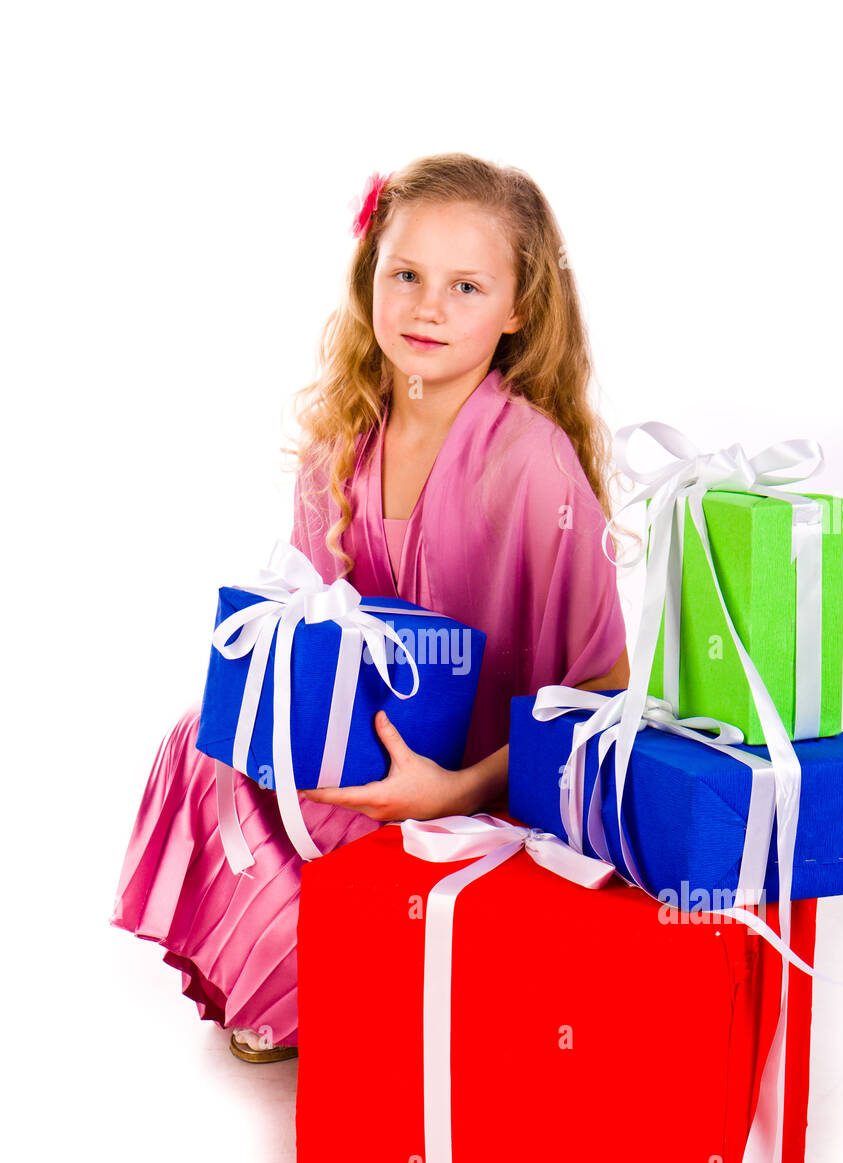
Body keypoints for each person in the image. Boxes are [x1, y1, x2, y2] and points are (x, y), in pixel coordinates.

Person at [110, 152, 630, 1063]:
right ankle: (304, 977)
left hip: (484, 793)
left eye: (466, 285)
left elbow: (601, 693)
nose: (429, 306)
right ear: (371, 281)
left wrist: (454, 788)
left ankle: (350, 991)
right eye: (407, 275)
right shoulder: (341, 444)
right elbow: (323, 641)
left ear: (517, 311)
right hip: (363, 761)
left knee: (378, 840)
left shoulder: (531, 465)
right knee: (205, 740)